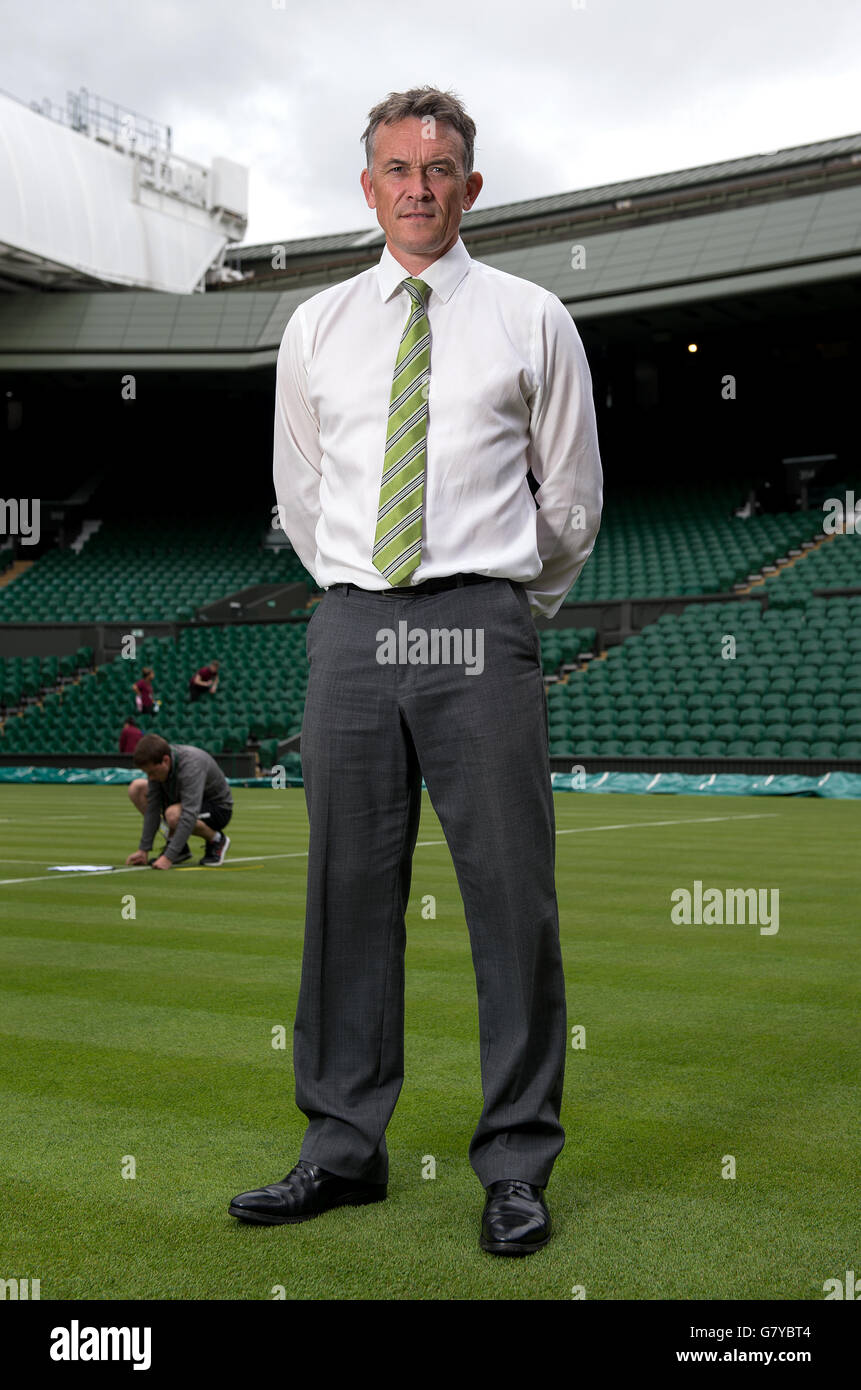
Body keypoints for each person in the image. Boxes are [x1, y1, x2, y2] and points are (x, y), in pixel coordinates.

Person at [229, 87, 602, 1256]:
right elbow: (302, 495)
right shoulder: (316, 326)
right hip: (353, 624)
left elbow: (572, 500)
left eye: (440, 168)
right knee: (345, 897)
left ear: (471, 185)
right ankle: (342, 1150)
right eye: (398, 168)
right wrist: (366, 596)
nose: (419, 187)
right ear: (369, 185)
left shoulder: (533, 316)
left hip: (477, 624)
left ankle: (518, 1163)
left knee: (511, 901)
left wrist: (502, 609)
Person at [125, 733, 232, 869]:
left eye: (152, 772)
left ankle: (217, 839)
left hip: (218, 808)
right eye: (147, 773)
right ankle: (179, 848)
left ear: (165, 760)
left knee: (173, 815)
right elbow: (153, 808)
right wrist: (143, 850)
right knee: (137, 789)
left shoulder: (191, 766)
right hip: (182, 801)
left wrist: (168, 857)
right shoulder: (158, 768)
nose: (150, 778)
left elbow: (189, 812)